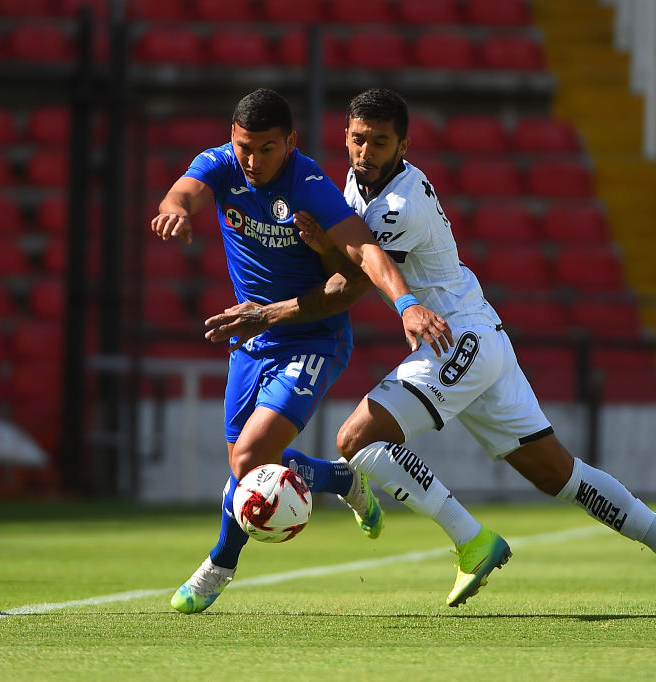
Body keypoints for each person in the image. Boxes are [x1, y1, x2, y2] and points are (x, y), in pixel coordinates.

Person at [292, 88, 656, 615]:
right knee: (557, 474)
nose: (365, 151)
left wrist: (268, 312)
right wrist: (324, 248)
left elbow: (350, 284)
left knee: (355, 438)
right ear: (346, 136)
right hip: (477, 336)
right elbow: (347, 258)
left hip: (455, 337)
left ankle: (471, 539)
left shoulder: (399, 203)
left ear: (402, 145)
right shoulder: (357, 185)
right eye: (358, 139)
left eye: (379, 142)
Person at [150, 88, 452, 615]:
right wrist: (175, 210)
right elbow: (182, 192)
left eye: (267, 148)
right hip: (250, 339)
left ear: (290, 143)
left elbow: (365, 250)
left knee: (248, 460)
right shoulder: (221, 167)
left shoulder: (309, 183)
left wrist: (404, 302)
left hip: (313, 336)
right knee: (246, 465)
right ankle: (340, 478)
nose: (253, 160)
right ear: (232, 139)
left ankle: (220, 564)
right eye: (245, 146)